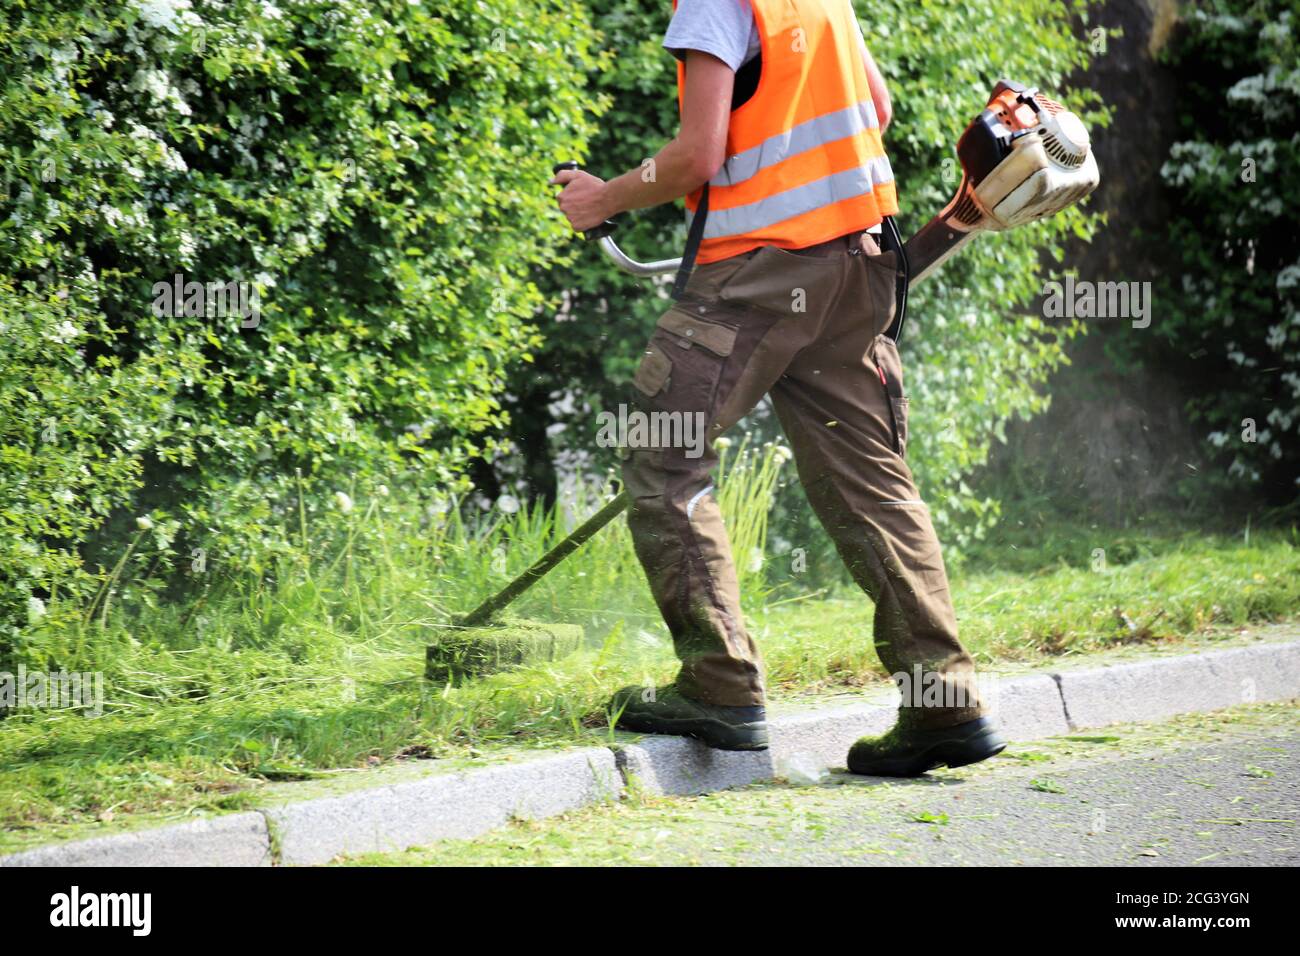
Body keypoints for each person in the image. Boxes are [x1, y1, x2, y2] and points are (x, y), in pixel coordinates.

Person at [551, 0, 1005, 777]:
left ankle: (719, 686)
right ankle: (943, 700)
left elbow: (698, 154)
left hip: (757, 279)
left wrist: (603, 198)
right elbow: (877, 107)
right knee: (872, 486)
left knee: (663, 457)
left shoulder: (712, 5)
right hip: (860, 264)